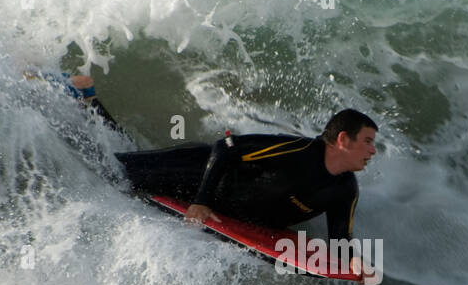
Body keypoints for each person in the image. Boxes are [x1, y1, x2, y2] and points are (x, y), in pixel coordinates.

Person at [67, 74, 377, 261]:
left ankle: (88, 97)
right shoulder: (297, 151)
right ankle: (76, 103)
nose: (373, 150)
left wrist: (350, 262)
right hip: (196, 171)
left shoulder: (344, 189)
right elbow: (227, 146)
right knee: (112, 169)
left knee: (125, 161)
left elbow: (340, 240)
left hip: (223, 202)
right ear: (342, 140)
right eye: (367, 141)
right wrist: (201, 201)